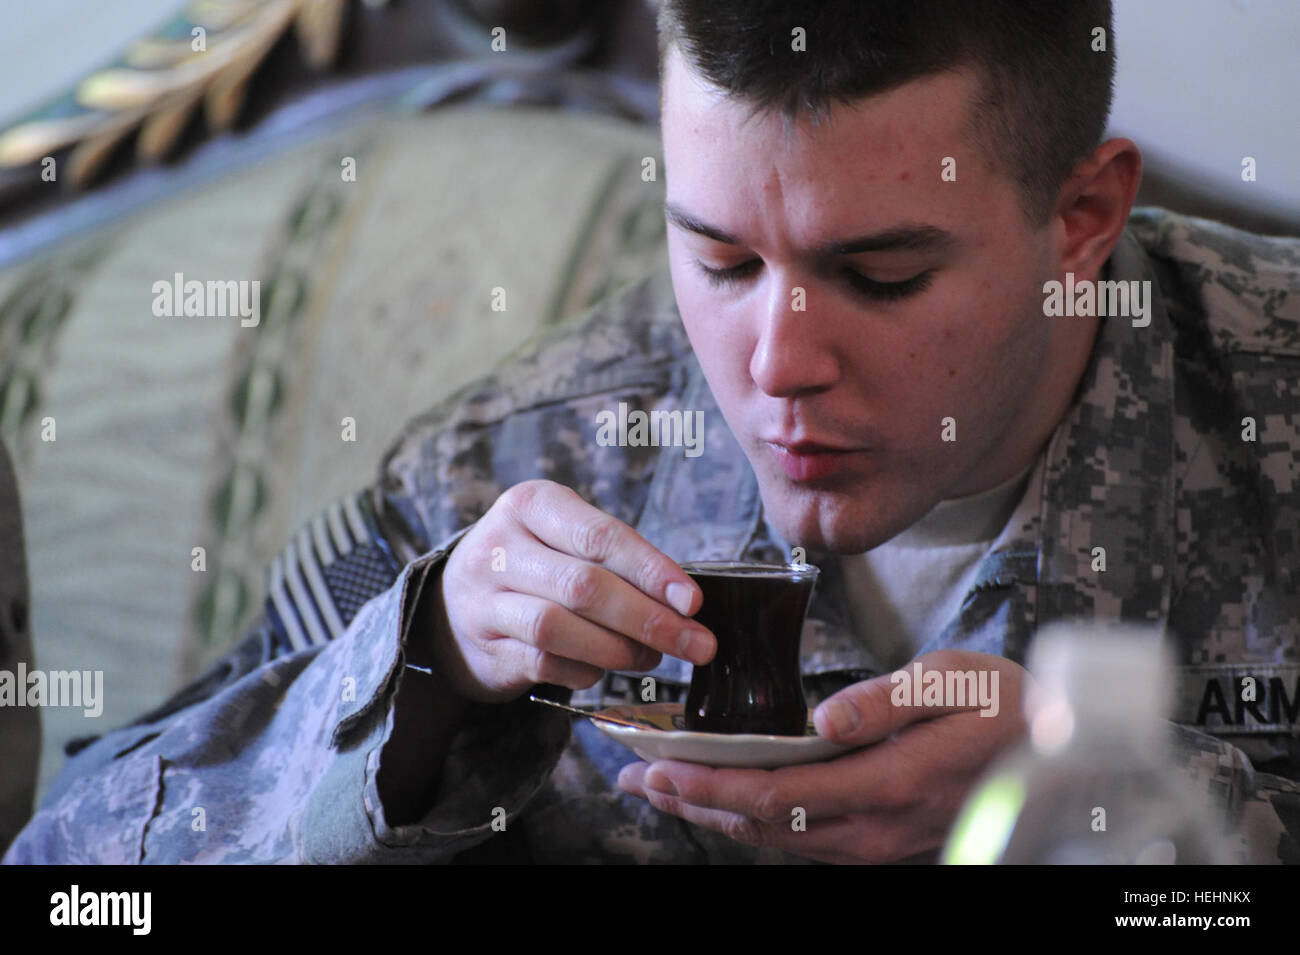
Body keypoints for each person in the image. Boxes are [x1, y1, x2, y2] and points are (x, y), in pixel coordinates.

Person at [5, 0, 1298, 865]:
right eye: (721, 261)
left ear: (1083, 217)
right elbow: (75, 860)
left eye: (884, 276)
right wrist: (425, 677)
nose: (780, 366)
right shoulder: (520, 459)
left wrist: (1132, 824)